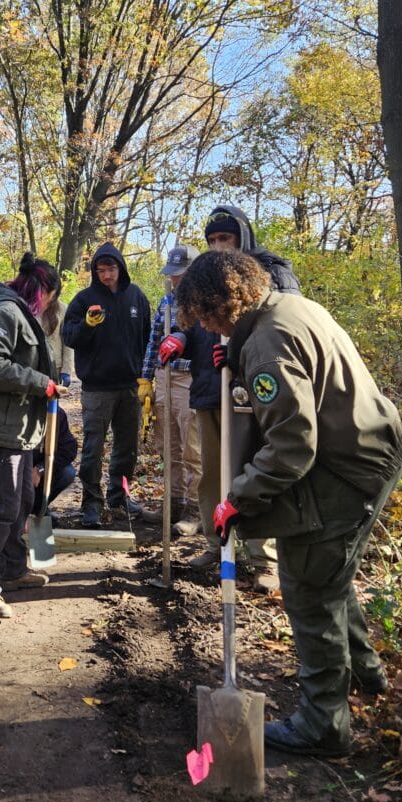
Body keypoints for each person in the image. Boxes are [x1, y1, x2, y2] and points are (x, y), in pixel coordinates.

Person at [176, 250, 402, 757]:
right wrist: (235, 354)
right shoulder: (289, 307)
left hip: (346, 466)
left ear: (222, 303)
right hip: (370, 444)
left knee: (308, 584)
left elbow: (292, 444)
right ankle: (367, 675)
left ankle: (324, 725)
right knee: (332, 570)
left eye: (208, 318)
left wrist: (238, 497)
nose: (208, 329)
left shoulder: (266, 344)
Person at [173, 205, 302, 586]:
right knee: (212, 469)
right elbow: (198, 324)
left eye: (224, 238)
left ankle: (261, 557)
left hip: (255, 391)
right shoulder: (207, 277)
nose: (217, 246)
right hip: (210, 388)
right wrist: (183, 338)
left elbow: (279, 325)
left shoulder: (271, 272)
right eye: (211, 240)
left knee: (253, 465)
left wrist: (238, 352)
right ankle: (217, 543)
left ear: (242, 237)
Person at [0, 253, 65, 620]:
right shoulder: (5, 313)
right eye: (52, 300)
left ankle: (14, 570)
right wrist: (40, 383)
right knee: (3, 508)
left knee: (22, 501)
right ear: (44, 291)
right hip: (0, 429)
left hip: (18, 429)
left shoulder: (20, 315)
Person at [61, 243, 152, 527]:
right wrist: (87, 325)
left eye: (111, 269)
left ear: (120, 268)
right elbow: (69, 337)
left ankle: (119, 496)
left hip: (129, 386)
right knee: (93, 448)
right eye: (100, 270)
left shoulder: (136, 297)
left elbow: (148, 338)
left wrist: (147, 377)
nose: (106, 275)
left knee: (127, 448)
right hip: (97, 388)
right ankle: (91, 502)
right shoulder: (84, 300)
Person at [139, 244, 203, 535]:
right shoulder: (166, 302)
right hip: (164, 376)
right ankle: (173, 501)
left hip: (190, 378)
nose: (176, 280)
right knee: (169, 446)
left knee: (193, 448)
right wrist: (146, 380)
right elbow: (154, 341)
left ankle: (195, 509)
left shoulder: (205, 302)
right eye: (173, 275)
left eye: (181, 275)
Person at [0, 401, 78, 520]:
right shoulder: (6, 411)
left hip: (38, 466)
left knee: (67, 473)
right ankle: (1, 507)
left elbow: (68, 449)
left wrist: (41, 468)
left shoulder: (55, 415)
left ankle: (37, 508)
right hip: (8, 462)